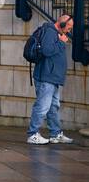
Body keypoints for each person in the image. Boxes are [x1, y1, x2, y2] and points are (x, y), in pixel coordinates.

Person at [27, 13, 75, 145]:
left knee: (53, 107)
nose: (68, 31)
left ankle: (55, 133)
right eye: (69, 28)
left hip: (52, 77)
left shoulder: (55, 34)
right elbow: (47, 51)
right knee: (42, 106)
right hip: (46, 77)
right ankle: (33, 134)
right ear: (62, 24)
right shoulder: (50, 32)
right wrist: (61, 42)